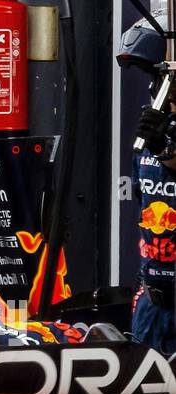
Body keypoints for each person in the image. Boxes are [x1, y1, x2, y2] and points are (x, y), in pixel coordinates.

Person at [122, 18, 176, 354]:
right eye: (155, 78)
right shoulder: (149, 137)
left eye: (163, 77)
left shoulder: (155, 143)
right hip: (152, 308)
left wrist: (163, 151)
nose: (157, 86)